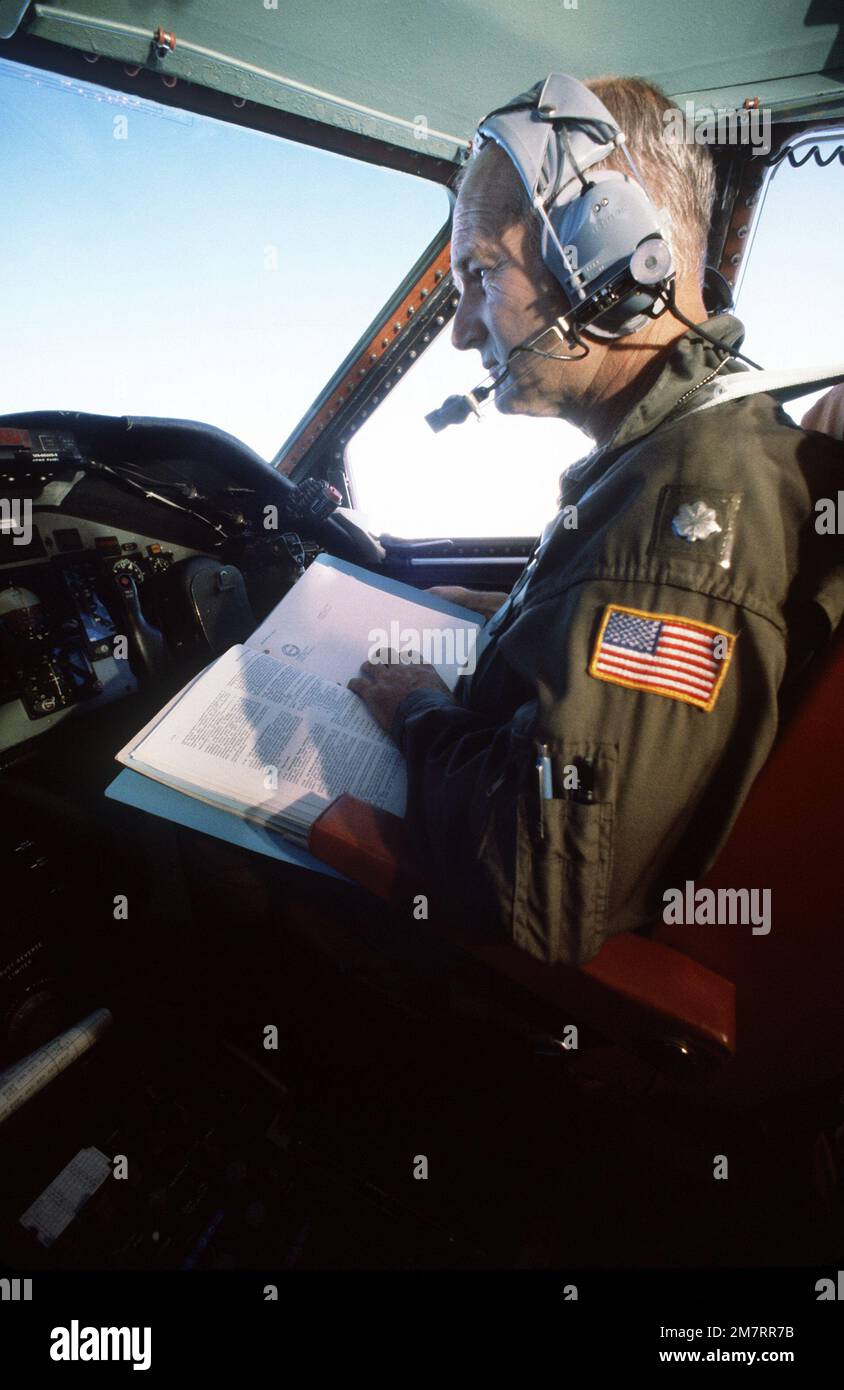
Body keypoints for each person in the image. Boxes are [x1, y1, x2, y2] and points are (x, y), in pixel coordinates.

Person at [349, 74, 844, 966]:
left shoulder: (689, 506)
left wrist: (416, 709)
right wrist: (498, 620)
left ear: (610, 258)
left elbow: (540, 885)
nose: (462, 330)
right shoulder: (680, 446)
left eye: (478, 275)